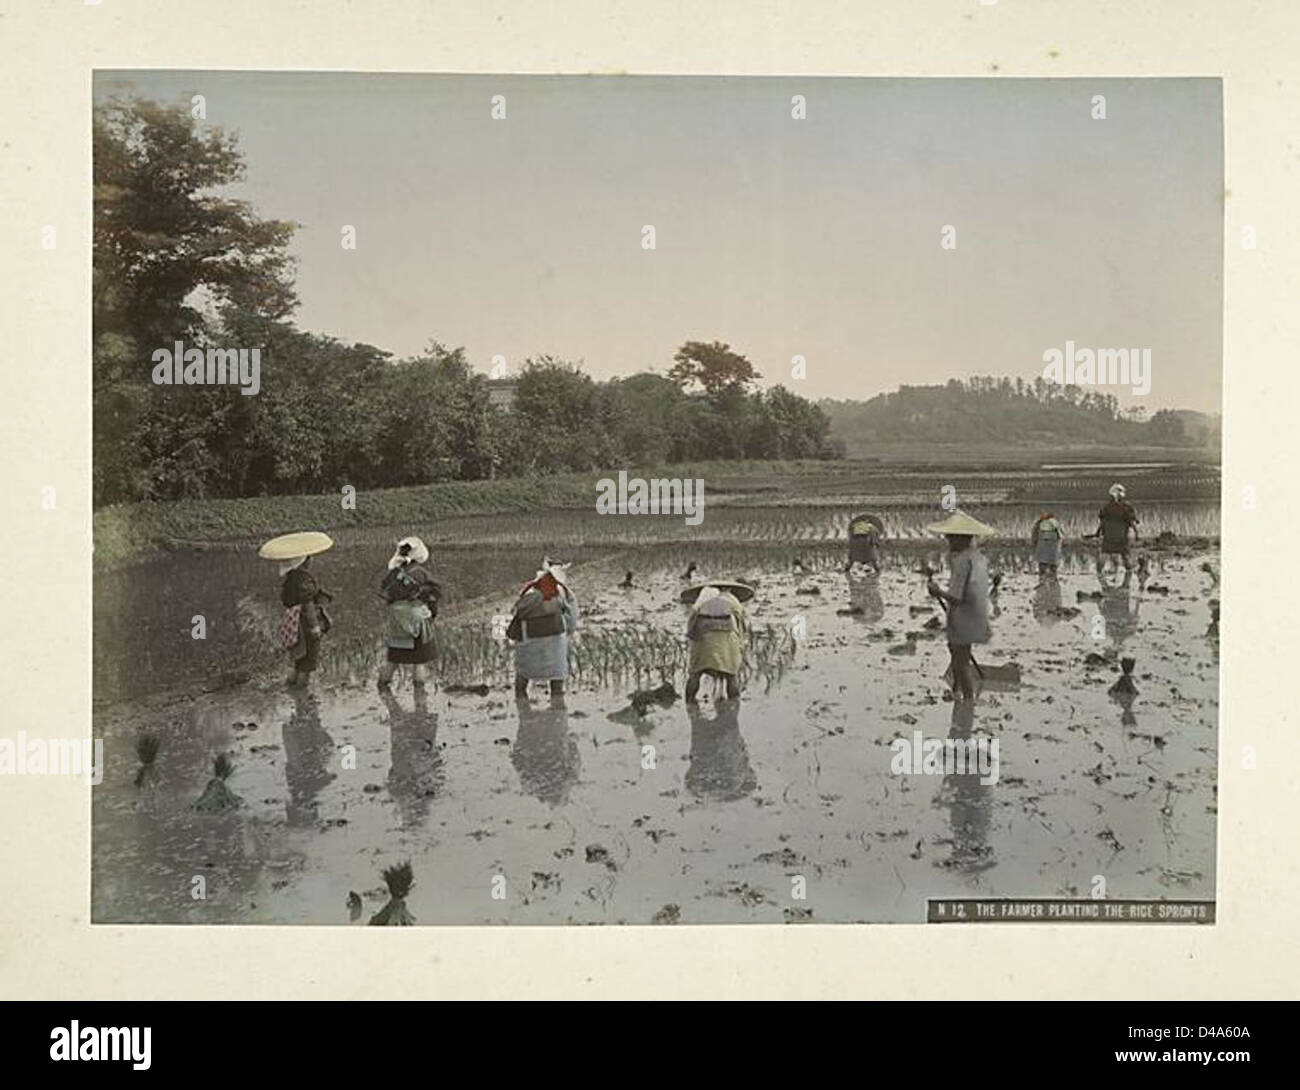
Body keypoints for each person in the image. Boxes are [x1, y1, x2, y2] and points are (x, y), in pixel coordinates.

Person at [925, 510, 995, 703]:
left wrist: (937, 591)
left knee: (961, 661)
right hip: (977, 614)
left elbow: (955, 598)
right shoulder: (978, 558)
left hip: (963, 617)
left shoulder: (962, 562)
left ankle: (968, 701)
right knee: (958, 653)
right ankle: (957, 693)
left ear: (960, 539)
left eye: (950, 538)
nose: (948, 542)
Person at [377, 536, 441, 690]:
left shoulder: (393, 574)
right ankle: (420, 697)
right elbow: (435, 594)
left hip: (398, 621)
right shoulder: (420, 573)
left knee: (394, 658)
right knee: (419, 661)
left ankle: (382, 688)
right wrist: (433, 613)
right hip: (417, 619)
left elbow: (386, 594)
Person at [508, 561, 579, 697]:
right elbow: (572, 616)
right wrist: (568, 632)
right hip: (555, 642)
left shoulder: (528, 592)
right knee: (556, 678)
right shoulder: (562, 593)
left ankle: (521, 706)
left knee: (523, 675)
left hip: (528, 641)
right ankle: (557, 709)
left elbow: (515, 613)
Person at [684, 583, 751, 703]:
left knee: (695, 673)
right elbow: (741, 620)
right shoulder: (732, 600)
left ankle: (690, 705)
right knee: (731, 674)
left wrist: (691, 637)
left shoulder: (703, 598)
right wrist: (741, 641)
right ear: (728, 589)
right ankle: (733, 705)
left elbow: (692, 619)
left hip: (703, 640)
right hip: (727, 641)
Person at [280, 555, 332, 687]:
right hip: (306, 624)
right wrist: (315, 626)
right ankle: (301, 695)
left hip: (294, 622)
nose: (312, 560)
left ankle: (290, 688)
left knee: (299, 658)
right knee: (307, 664)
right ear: (304, 561)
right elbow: (308, 604)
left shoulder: (290, 577)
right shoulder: (304, 580)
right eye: (309, 558)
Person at [1095, 483, 1139, 573]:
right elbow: (1131, 522)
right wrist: (1137, 534)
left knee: (1104, 555)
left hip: (1109, 537)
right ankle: (1128, 579)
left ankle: (1099, 574)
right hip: (1121, 537)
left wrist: (1097, 532)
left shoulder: (1106, 507)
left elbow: (1102, 522)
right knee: (1125, 556)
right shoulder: (1127, 507)